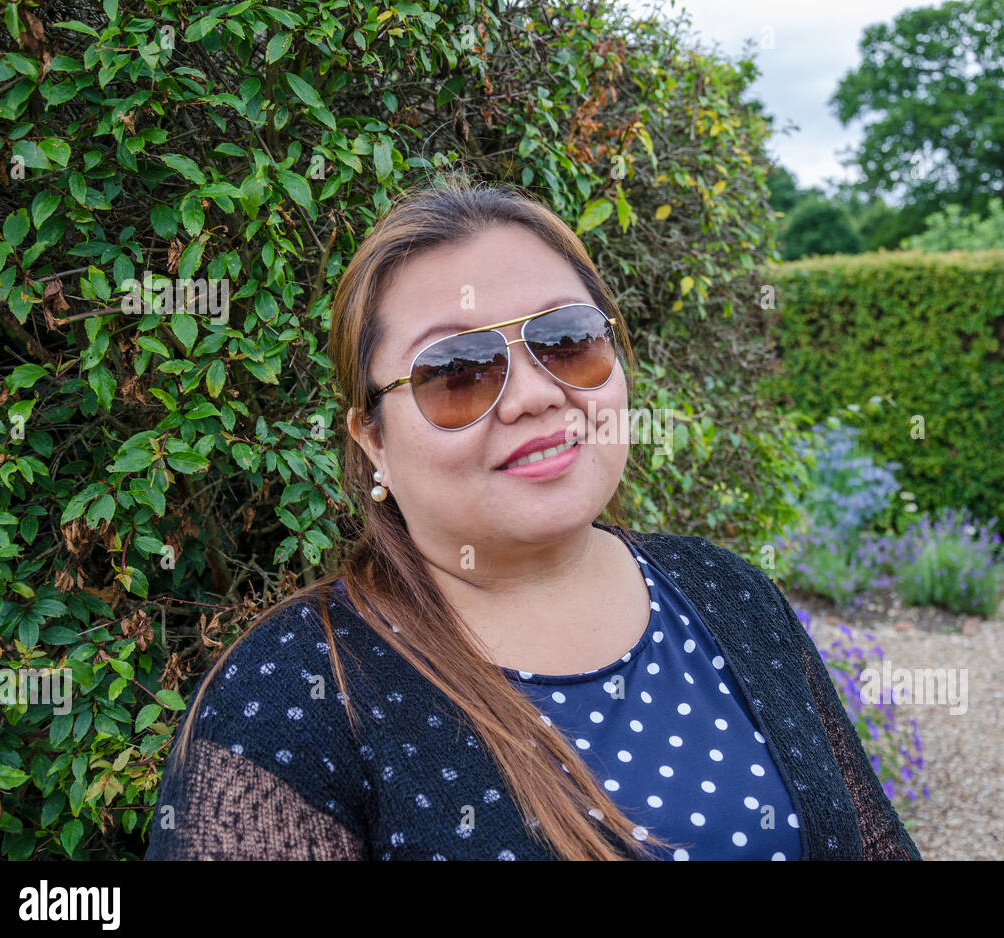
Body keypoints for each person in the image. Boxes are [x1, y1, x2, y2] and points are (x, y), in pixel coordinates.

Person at [145, 173, 921, 861]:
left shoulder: (728, 593)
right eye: (456, 372)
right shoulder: (295, 694)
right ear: (372, 441)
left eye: (568, 340)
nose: (536, 395)